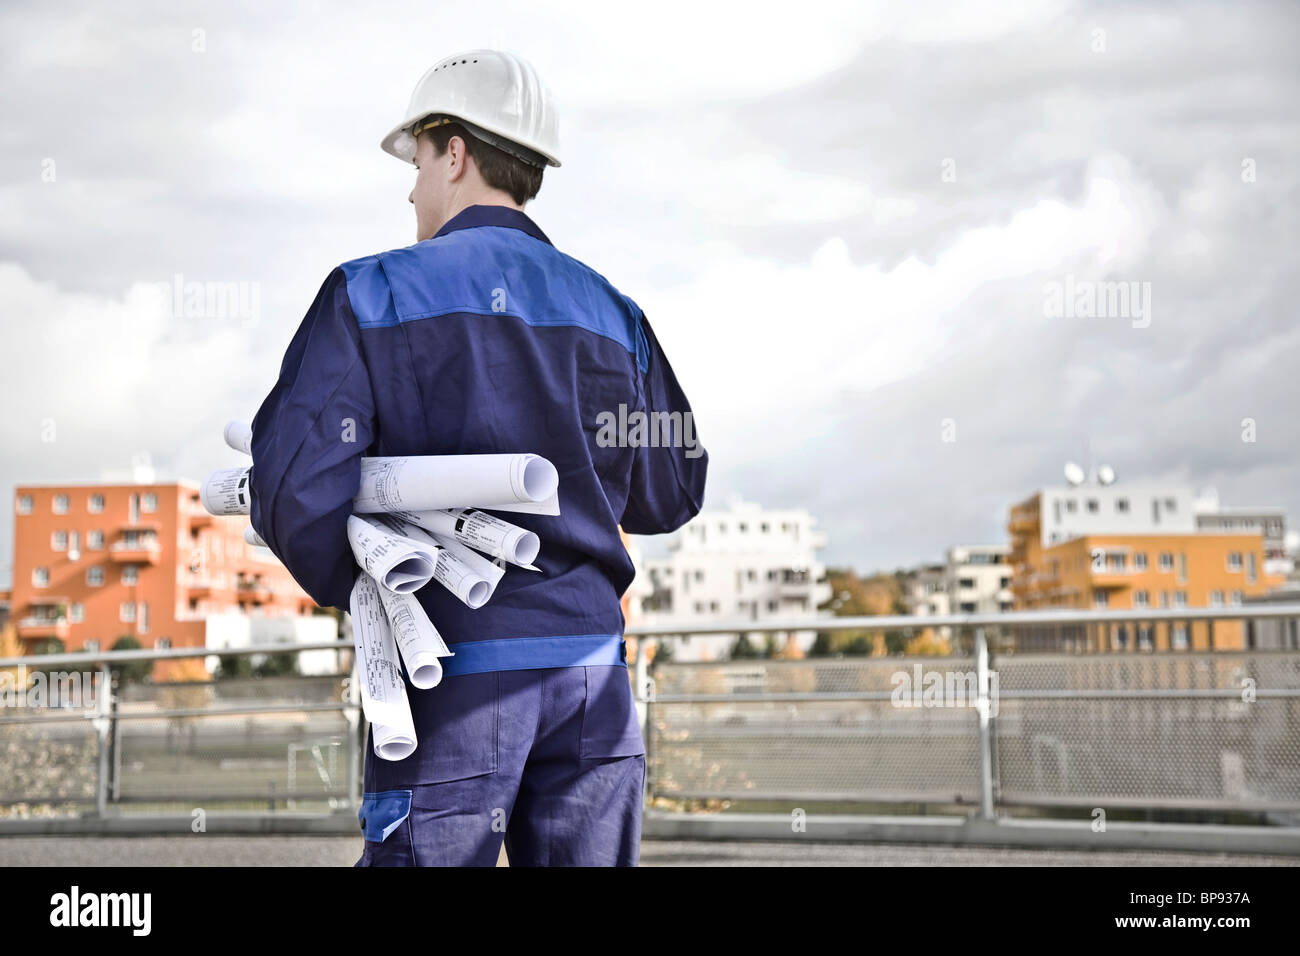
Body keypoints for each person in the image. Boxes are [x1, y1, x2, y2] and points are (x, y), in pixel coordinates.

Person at [247, 49, 707, 866]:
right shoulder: (615, 312)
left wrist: (377, 589)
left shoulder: (373, 292)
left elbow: (292, 487)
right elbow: (671, 489)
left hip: (448, 678)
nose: (413, 189)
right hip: (593, 680)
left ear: (453, 152)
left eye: (418, 162)